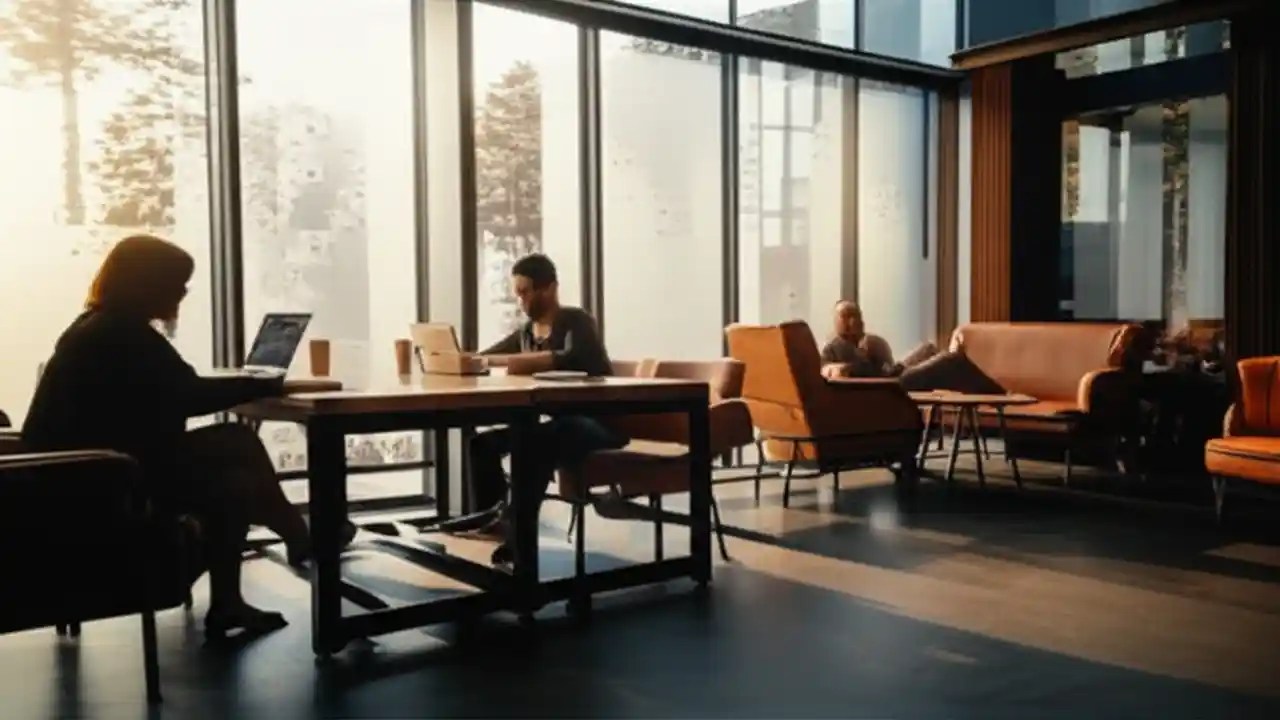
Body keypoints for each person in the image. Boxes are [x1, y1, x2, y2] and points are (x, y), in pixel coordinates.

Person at [22, 235, 336, 640]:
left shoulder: (97, 326)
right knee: (236, 446)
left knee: (235, 480)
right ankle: (295, 534)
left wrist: (256, 385)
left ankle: (254, 575)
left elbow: (175, 390)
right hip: (106, 479)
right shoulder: (122, 333)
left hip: (85, 475)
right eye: (177, 280)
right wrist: (271, 386)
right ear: (147, 282)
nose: (183, 290)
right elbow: (189, 395)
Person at [468, 253, 627, 564]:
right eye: (517, 293)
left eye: (525, 292)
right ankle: (495, 520)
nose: (520, 301)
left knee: (536, 440)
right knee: (482, 444)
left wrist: (511, 362)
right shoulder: (527, 333)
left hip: (596, 424)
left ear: (550, 289)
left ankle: (519, 533)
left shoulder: (576, 321)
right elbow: (489, 356)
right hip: (556, 425)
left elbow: (568, 357)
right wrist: (464, 359)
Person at [819, 300, 936, 379]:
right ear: (835, 321)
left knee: (928, 349)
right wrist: (844, 369)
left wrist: (878, 351)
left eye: (857, 316)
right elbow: (824, 370)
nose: (853, 321)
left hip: (890, 375)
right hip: (884, 384)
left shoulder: (872, 342)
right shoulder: (832, 347)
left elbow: (887, 366)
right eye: (846, 316)